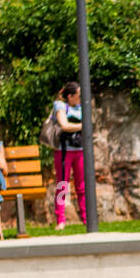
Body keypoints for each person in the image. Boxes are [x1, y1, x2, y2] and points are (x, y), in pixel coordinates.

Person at [50, 82, 87, 229]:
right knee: (62, 185)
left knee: (82, 186)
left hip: (80, 151)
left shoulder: (81, 107)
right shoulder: (60, 106)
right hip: (64, 151)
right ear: (70, 96)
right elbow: (64, 125)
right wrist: (84, 125)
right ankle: (60, 219)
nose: (80, 99)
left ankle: (86, 218)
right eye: (78, 96)